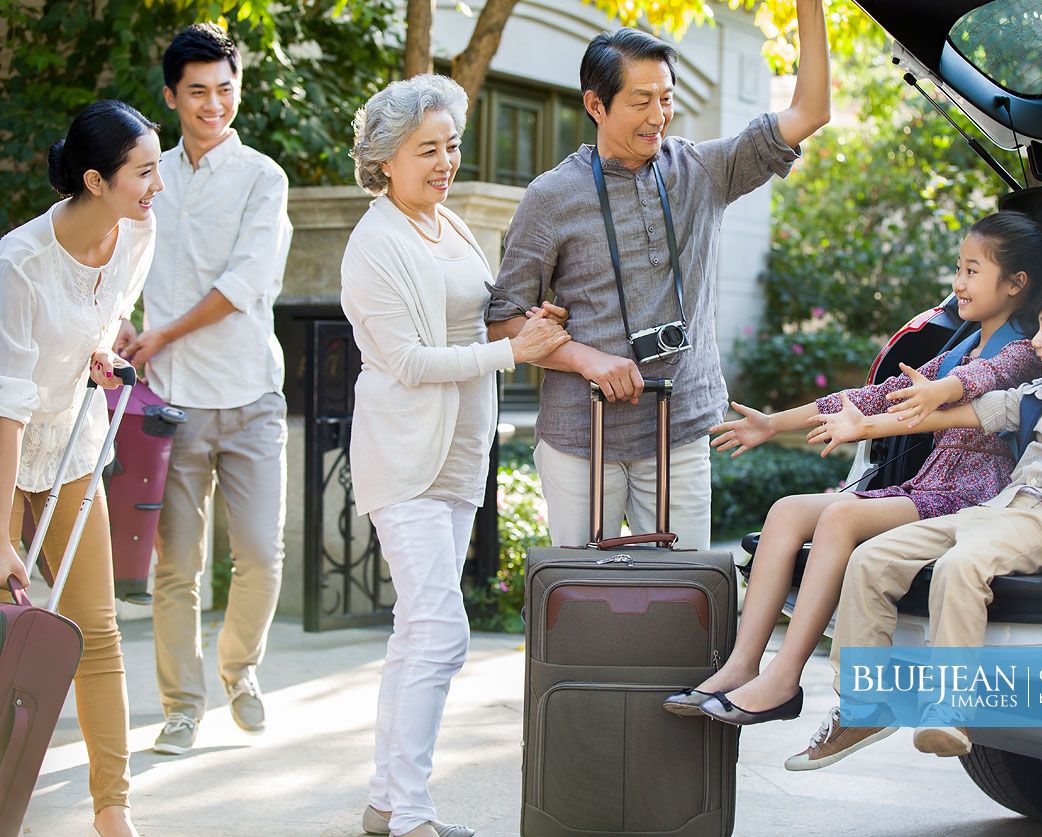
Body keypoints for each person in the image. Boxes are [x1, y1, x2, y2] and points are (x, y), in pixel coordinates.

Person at [665, 211, 1042, 724]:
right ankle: (743, 665)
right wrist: (772, 423)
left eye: (971, 271)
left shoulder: (1025, 350)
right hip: (931, 487)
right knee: (786, 511)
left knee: (840, 517)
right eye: (958, 268)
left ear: (1015, 284)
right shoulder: (962, 345)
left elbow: (988, 376)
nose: (957, 284)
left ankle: (785, 681)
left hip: (971, 498)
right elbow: (873, 396)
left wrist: (938, 390)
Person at [790, 266, 1042, 769]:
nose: (1035, 341)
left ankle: (950, 706)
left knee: (961, 566)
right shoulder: (1037, 397)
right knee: (872, 558)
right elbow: (954, 414)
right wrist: (866, 424)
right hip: (999, 513)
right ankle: (865, 705)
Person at [486, 4, 831, 550]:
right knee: (584, 602)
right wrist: (587, 359)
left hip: (682, 426)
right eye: (640, 101)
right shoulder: (550, 197)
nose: (658, 115)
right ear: (595, 105)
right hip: (582, 434)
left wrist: (808, 6)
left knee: (679, 601)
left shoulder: (703, 171)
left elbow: (811, 109)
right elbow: (502, 327)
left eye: (666, 98)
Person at [341, 75, 570, 837]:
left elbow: (476, 319)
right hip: (403, 458)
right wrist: (509, 353)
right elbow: (408, 359)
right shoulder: (373, 243)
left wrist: (522, 327)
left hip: (456, 456)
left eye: (451, 145)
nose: (446, 161)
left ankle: (386, 800)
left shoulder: (449, 224)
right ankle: (410, 816)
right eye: (427, 149)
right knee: (441, 632)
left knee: (416, 629)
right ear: (384, 160)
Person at [114, 22, 292, 754]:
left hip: (251, 394)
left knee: (259, 553)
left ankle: (239, 668)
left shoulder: (263, 177)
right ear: (171, 96)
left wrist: (159, 332)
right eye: (197, 92)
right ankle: (181, 707)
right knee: (175, 566)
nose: (213, 103)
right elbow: (124, 260)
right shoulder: (151, 177)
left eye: (225, 88)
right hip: (172, 405)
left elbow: (243, 284)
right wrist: (125, 327)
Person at [1, 99, 161, 837]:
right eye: (144, 171)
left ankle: (113, 810)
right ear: (95, 180)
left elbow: (104, 321)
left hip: (71, 440)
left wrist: (99, 353)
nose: (157, 184)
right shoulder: (19, 264)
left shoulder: (138, 233)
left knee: (93, 628)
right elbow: (6, 406)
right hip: (6, 446)